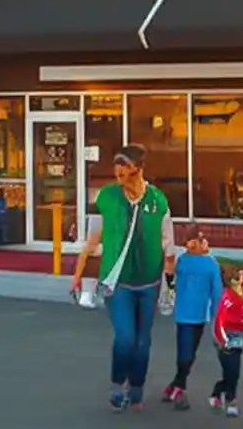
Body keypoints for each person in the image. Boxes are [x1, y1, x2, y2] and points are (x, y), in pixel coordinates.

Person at [71, 143, 175, 412]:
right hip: (117, 282)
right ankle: (118, 383)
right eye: (116, 165)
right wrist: (79, 274)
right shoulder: (107, 197)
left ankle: (136, 387)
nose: (118, 170)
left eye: (124, 165)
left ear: (138, 168)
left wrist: (170, 285)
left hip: (149, 283)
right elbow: (93, 239)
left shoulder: (158, 201)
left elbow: (169, 245)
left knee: (143, 341)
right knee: (126, 337)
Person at [161, 227, 223, 410]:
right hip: (184, 315)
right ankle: (180, 389)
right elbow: (171, 278)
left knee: (189, 353)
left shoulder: (210, 263)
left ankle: (175, 385)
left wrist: (217, 316)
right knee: (185, 354)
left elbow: (217, 292)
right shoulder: (184, 261)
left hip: (198, 315)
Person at [210, 265, 243, 417]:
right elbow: (219, 323)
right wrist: (223, 342)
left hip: (237, 341)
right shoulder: (227, 299)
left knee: (232, 372)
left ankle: (221, 393)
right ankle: (229, 399)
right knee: (231, 370)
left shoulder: (242, 300)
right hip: (224, 340)